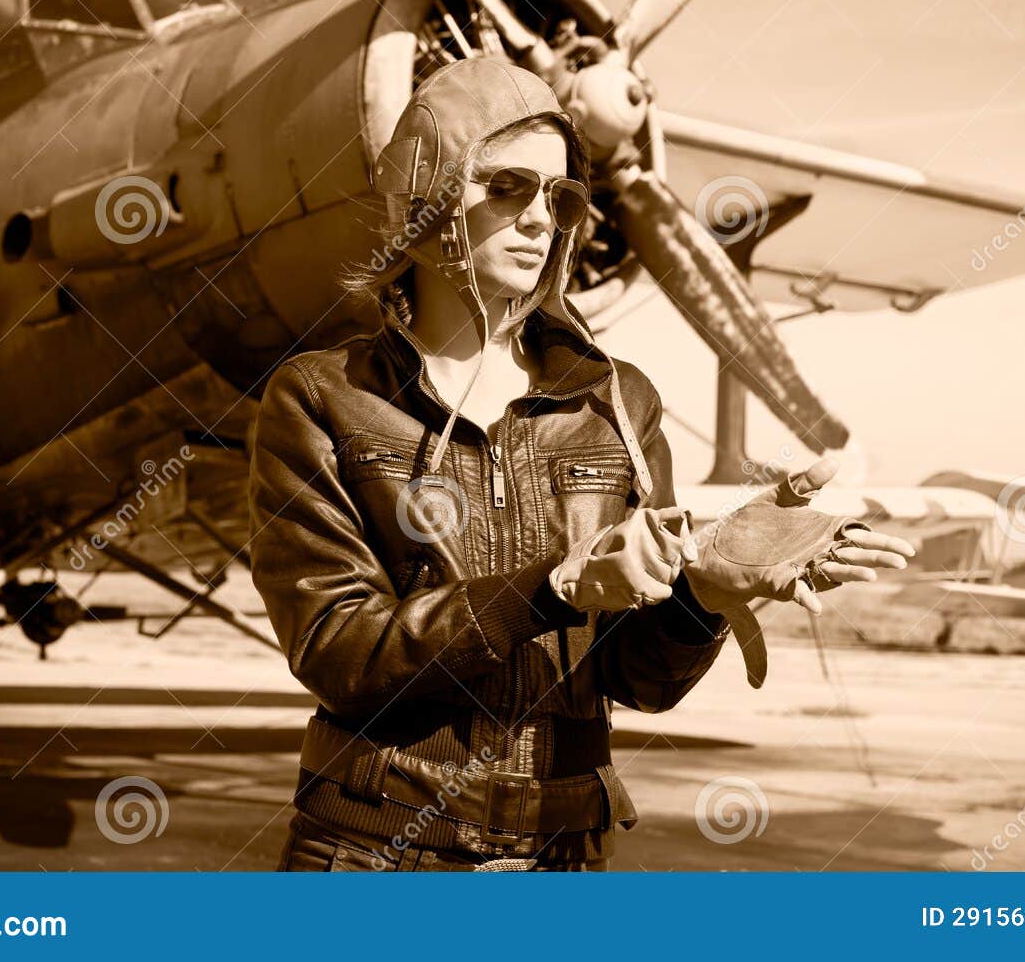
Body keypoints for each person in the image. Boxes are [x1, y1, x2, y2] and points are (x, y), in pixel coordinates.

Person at [246, 56, 913, 871]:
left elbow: (637, 678)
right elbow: (341, 652)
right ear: (426, 195)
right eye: (507, 187)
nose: (541, 218)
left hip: (565, 861)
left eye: (560, 197)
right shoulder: (321, 399)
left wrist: (707, 588)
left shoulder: (619, 405)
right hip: (371, 857)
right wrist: (554, 587)